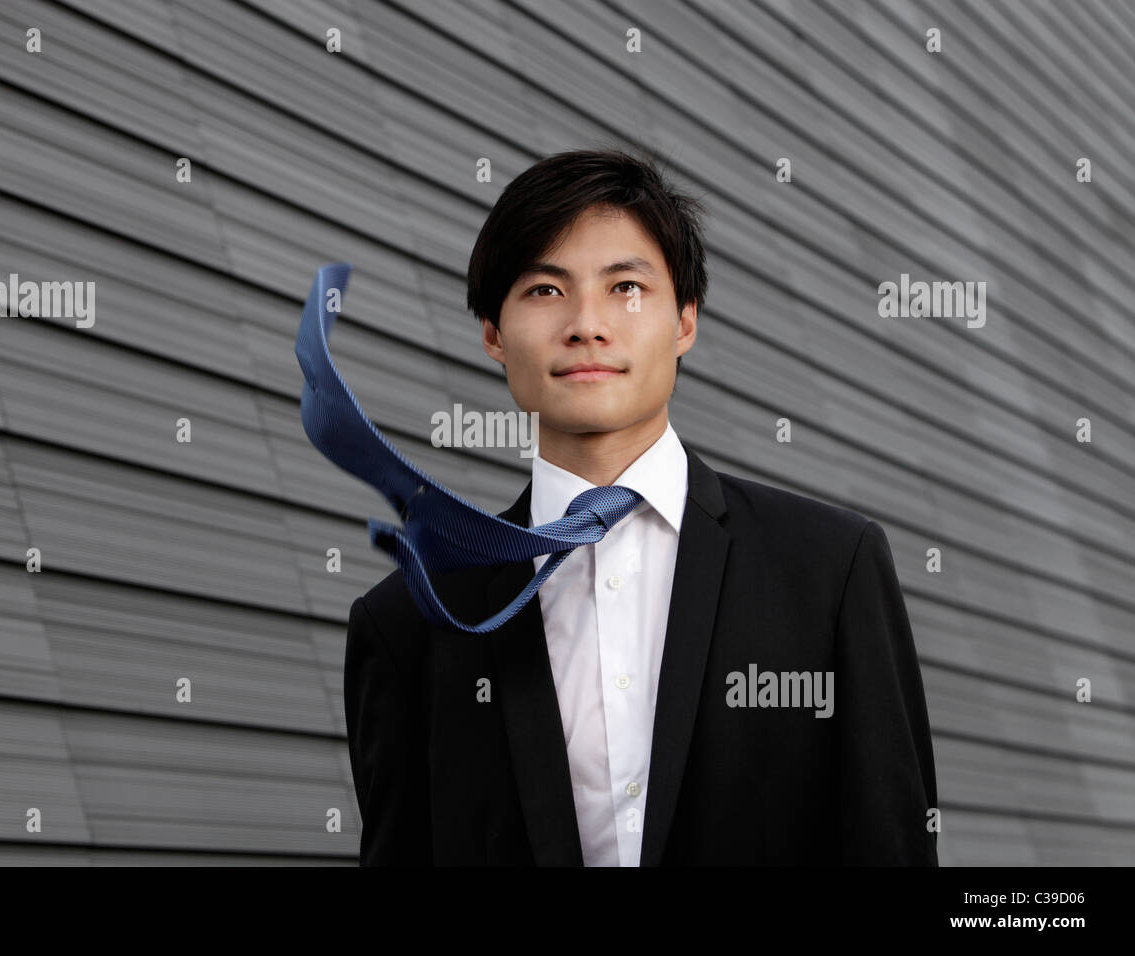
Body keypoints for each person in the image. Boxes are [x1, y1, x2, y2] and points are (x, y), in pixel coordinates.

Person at [343, 147, 938, 866]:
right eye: (544, 290)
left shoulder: (829, 574)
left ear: (685, 321)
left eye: (626, 286)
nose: (588, 324)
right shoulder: (414, 621)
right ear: (493, 333)